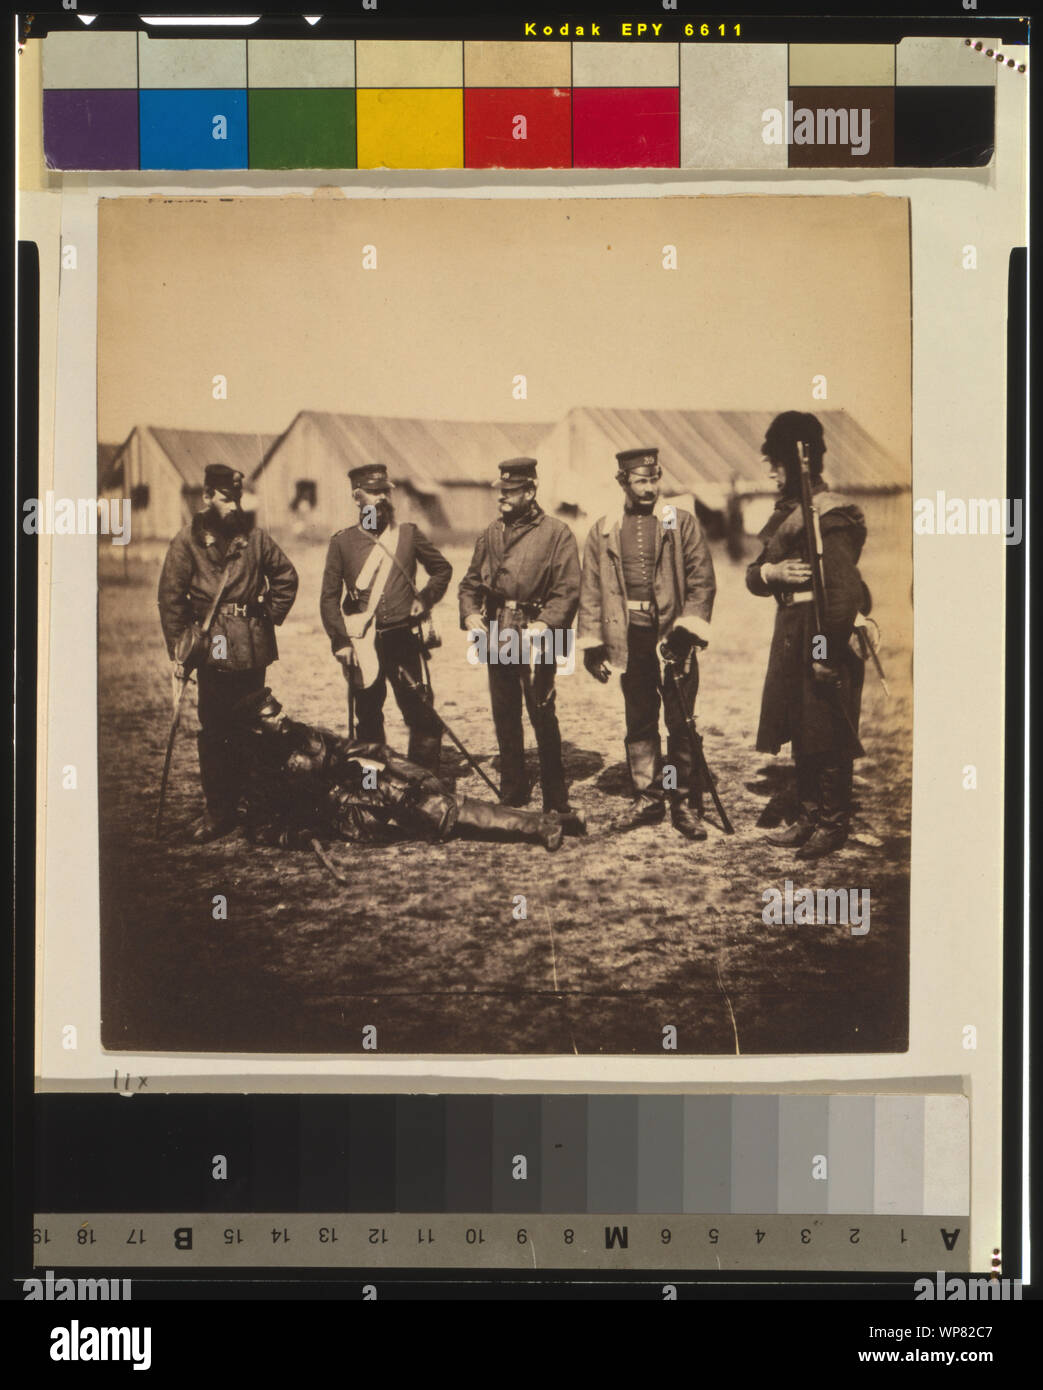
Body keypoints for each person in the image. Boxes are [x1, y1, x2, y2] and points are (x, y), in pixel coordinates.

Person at [236, 688, 585, 853]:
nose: (283, 716)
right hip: (346, 814)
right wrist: (294, 837)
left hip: (360, 783)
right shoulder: (258, 773)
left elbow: (357, 749)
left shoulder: (301, 733)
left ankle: (545, 822)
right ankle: (543, 824)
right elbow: (257, 827)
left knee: (430, 797)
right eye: (273, 715)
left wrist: (401, 766)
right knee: (440, 809)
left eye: (280, 709)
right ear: (255, 728)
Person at [577, 446, 716, 839]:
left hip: (674, 636)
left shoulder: (680, 522)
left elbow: (701, 578)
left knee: (680, 720)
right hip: (628, 638)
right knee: (639, 719)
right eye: (641, 481)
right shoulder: (604, 528)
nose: (650, 488)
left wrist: (688, 631)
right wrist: (592, 645)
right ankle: (649, 796)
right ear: (623, 481)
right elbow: (590, 590)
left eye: (654, 479)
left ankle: (683, 799)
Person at [745, 411, 867, 860]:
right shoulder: (788, 514)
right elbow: (752, 576)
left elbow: (843, 594)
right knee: (803, 726)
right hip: (792, 634)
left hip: (822, 634)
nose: (770, 469)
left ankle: (832, 825)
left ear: (801, 462)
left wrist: (826, 653)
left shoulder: (829, 515)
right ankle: (808, 816)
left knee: (829, 729)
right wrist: (772, 572)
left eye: (777, 461)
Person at [157, 462, 299, 843]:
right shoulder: (186, 541)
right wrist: (184, 647)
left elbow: (286, 576)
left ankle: (254, 810)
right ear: (206, 497)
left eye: (237, 498)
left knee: (254, 728)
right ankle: (219, 811)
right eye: (224, 499)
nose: (233, 507)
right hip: (212, 650)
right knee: (216, 730)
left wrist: (267, 615)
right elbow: (171, 599)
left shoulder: (255, 538)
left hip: (252, 647)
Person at [458, 458, 581, 813]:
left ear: (530, 491)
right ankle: (512, 790)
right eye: (501, 492)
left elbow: (568, 589)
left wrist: (544, 624)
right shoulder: (491, 534)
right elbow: (470, 582)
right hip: (499, 627)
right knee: (504, 712)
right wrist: (469, 613)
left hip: (541, 629)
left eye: (510, 492)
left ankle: (556, 797)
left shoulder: (557, 533)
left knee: (542, 710)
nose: (502, 499)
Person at [320, 463, 452, 774]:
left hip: (403, 637)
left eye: (385, 492)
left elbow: (442, 570)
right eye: (374, 492)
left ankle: (423, 785)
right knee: (367, 717)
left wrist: (425, 599)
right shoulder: (342, 542)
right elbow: (328, 598)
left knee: (421, 713)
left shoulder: (407, 535)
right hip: (363, 644)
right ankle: (371, 786)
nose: (382, 498)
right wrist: (340, 641)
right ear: (357, 497)